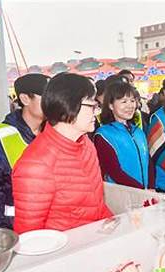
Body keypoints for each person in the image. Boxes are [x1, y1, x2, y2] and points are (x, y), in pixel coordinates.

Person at [12, 73, 112, 233]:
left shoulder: (85, 143)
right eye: (91, 106)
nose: (96, 112)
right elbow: (29, 235)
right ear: (68, 105)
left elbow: (96, 204)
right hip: (63, 252)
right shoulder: (35, 166)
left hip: (94, 242)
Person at [0, 74, 49, 229]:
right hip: (15, 232)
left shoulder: (55, 133)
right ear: (25, 99)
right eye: (47, 96)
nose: (53, 103)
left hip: (52, 229)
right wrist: (0, 241)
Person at [94, 80, 149, 189]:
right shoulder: (103, 135)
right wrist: (141, 190)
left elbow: (149, 162)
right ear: (110, 105)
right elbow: (115, 172)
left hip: (146, 194)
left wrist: (151, 187)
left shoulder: (139, 132)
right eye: (124, 102)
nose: (130, 106)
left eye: (132, 101)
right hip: (124, 196)